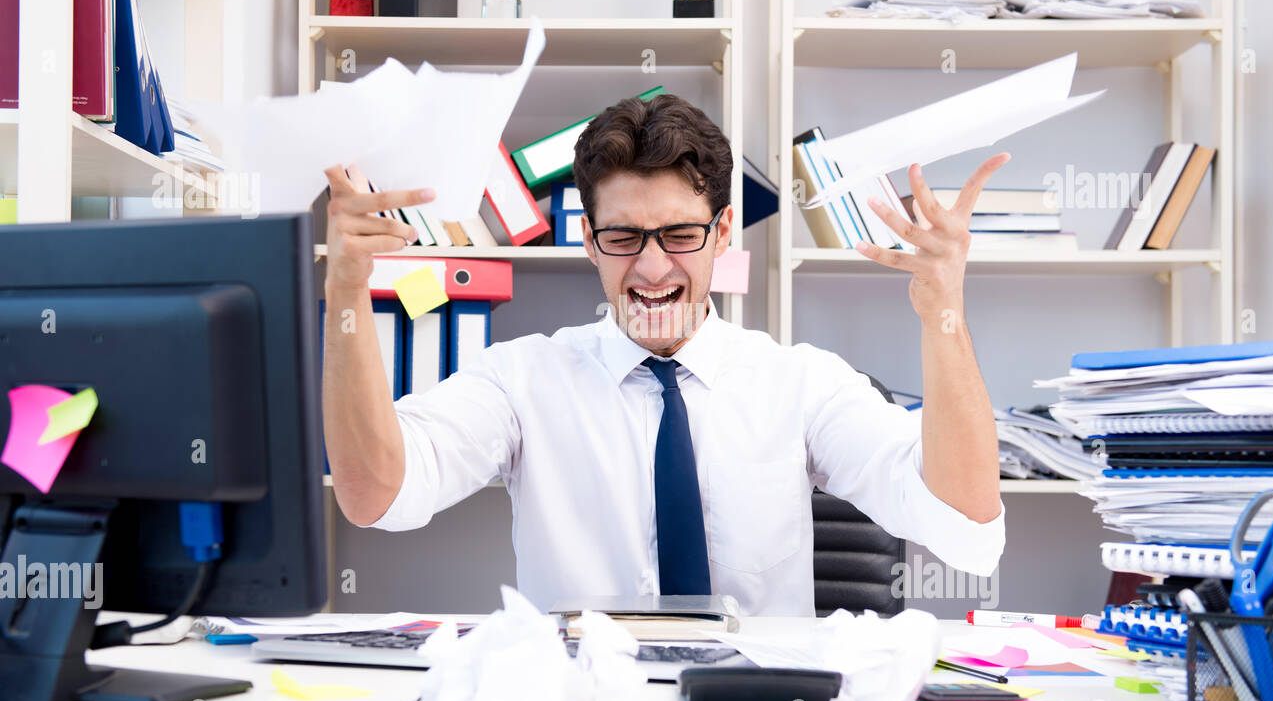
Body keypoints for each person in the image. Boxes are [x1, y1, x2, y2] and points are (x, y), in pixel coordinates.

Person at [321, 93, 1008, 615]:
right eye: (623, 237)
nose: (651, 270)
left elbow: (965, 523)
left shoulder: (800, 383)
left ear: (723, 232)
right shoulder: (521, 380)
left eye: (680, 233)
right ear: (588, 240)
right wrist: (348, 292)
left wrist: (944, 311)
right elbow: (375, 494)